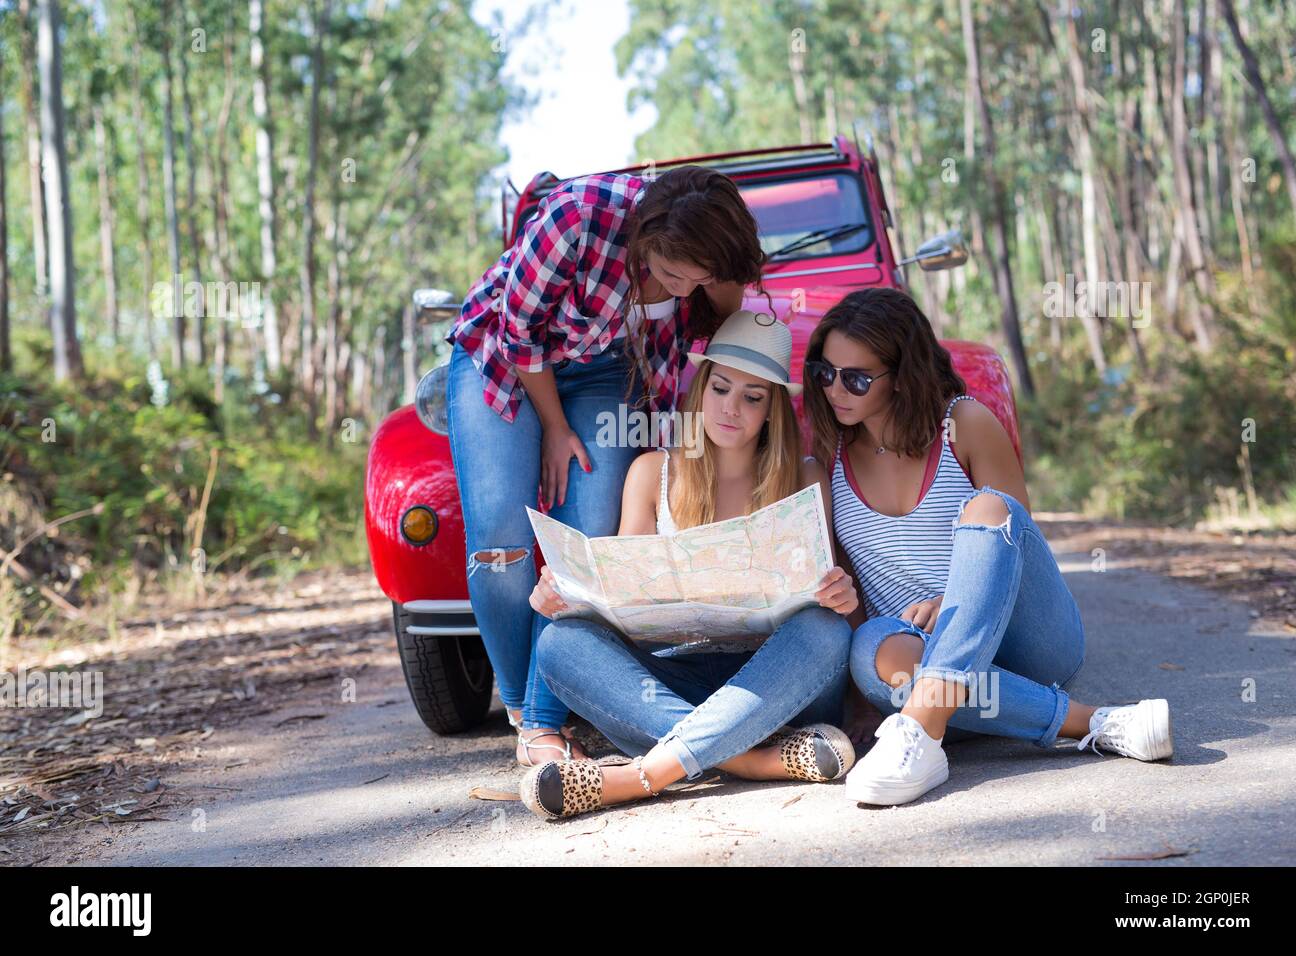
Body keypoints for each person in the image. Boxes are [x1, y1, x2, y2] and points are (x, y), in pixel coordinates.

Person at [800, 287, 1173, 806]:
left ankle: (923, 725)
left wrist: (954, 598)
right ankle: (1099, 723)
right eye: (825, 372)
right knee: (871, 647)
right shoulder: (826, 455)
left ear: (901, 376)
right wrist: (859, 703)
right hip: (913, 660)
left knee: (989, 509)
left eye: (856, 378)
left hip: (1026, 643)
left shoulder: (964, 425)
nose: (835, 389)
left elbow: (1016, 539)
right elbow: (845, 585)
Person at [445, 166, 767, 766]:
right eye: (671, 271)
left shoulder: (709, 269)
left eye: (700, 275)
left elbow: (722, 329)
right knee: (498, 539)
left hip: (605, 371)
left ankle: (547, 720)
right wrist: (555, 428)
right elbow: (519, 330)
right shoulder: (578, 214)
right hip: (504, 356)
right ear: (645, 231)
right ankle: (524, 708)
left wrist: (719, 284)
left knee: (588, 539)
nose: (683, 284)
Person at [521, 310, 859, 820]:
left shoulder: (804, 477)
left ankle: (646, 774)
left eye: (752, 397)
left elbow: (831, 593)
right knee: (559, 644)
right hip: (668, 679)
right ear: (700, 388)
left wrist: (840, 595)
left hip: (773, 681)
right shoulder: (651, 472)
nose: (731, 408)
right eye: (720, 388)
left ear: (772, 410)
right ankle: (753, 759)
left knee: (825, 630)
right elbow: (620, 596)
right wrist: (565, 596)